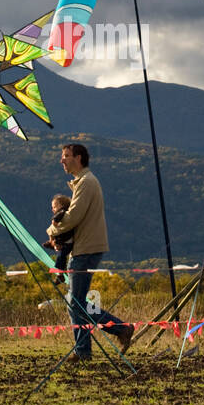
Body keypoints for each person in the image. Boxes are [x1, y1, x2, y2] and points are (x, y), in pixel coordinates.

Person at [47, 143, 134, 359]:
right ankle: (85, 348)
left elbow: (73, 217)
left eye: (66, 156)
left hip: (86, 250)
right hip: (84, 247)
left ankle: (118, 329)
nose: (62, 160)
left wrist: (51, 230)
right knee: (76, 301)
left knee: (75, 302)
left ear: (79, 158)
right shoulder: (83, 182)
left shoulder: (86, 183)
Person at [45, 194, 74, 273]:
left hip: (66, 241)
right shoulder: (66, 212)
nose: (52, 209)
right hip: (66, 240)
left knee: (61, 255)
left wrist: (54, 222)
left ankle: (59, 270)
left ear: (61, 205)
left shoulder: (62, 212)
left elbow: (57, 217)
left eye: (54, 207)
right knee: (62, 255)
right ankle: (60, 274)